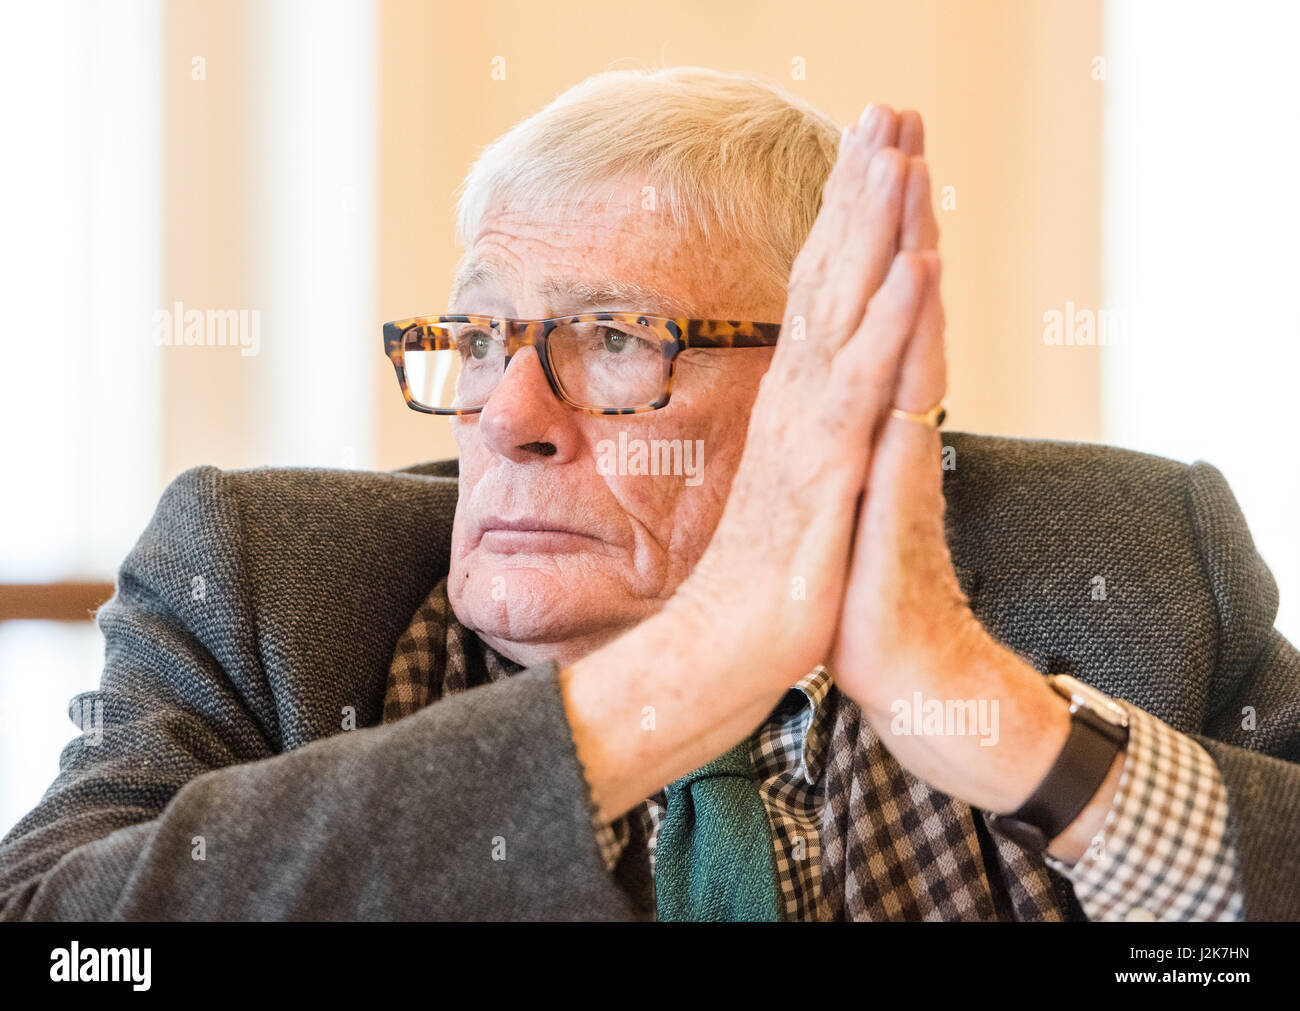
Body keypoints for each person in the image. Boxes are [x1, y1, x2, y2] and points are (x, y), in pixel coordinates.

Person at [2, 67, 1296, 921]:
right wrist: (680, 677)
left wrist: (994, 720)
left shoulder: (1139, 561)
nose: (506, 416)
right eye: (481, 337)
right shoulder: (262, 583)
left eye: (616, 341)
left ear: (827, 389)